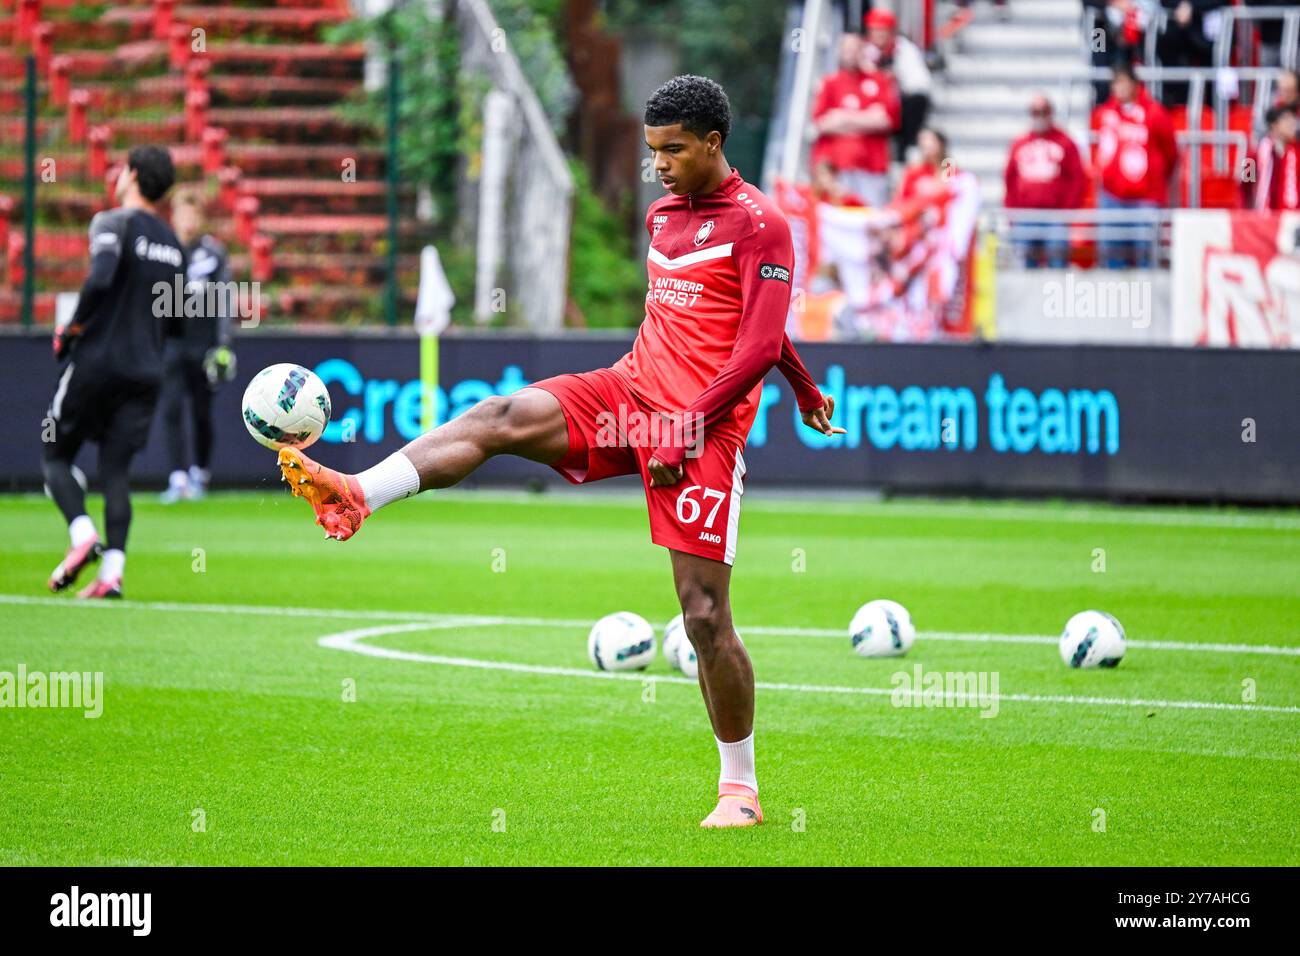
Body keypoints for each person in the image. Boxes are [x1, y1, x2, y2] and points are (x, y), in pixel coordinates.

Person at [274, 75, 845, 829]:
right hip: (628, 394)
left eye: (674, 150)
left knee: (704, 616)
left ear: (713, 142)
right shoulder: (663, 217)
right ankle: (359, 493)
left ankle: (739, 787)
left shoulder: (761, 224)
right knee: (501, 414)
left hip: (700, 429)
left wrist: (725, 410)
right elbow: (755, 327)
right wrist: (799, 388)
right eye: (652, 153)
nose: (661, 166)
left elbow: (759, 339)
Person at [43, 146, 185, 598]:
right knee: (116, 470)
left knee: (55, 455)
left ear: (133, 175)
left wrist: (73, 327)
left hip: (98, 362)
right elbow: (178, 319)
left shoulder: (113, 223)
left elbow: (101, 278)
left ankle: (83, 535)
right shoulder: (174, 247)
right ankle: (112, 574)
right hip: (146, 372)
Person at [159, 188, 236, 504]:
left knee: (202, 413)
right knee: (171, 409)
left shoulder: (213, 253)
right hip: (172, 345)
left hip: (204, 347)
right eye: (183, 214)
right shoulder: (163, 251)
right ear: (174, 217)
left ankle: (200, 473)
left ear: (200, 218)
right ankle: (177, 478)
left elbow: (224, 300)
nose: (188, 221)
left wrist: (223, 344)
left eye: (193, 214)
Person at [1093, 62, 1178, 268]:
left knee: (1145, 258)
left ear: (1134, 84)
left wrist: (1154, 178)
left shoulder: (1154, 113)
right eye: (1114, 83)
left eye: (1121, 82)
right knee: (1112, 258)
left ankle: (1147, 300)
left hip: (1145, 198)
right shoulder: (1104, 113)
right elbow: (1097, 149)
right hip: (1112, 195)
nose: (1117, 88)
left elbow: (1171, 152)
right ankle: (1114, 300)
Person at [810, 32, 901, 208]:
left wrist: (842, 117)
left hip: (873, 166)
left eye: (854, 48)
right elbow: (821, 123)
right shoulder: (830, 82)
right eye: (846, 49)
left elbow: (887, 120)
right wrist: (867, 119)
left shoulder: (880, 80)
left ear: (862, 50)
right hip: (836, 167)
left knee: (871, 220)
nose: (850, 53)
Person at [1003, 94, 1088, 268]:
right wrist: (1013, 213)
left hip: (1055, 215)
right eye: (1035, 112)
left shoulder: (1065, 142)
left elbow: (1078, 178)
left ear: (1051, 113)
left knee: (1057, 266)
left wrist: (1067, 212)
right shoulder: (1020, 143)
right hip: (1026, 215)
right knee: (1024, 267)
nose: (1040, 116)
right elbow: (1010, 178)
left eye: (1043, 111)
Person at [862, 7, 931, 161]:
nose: (879, 35)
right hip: (870, 104)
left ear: (891, 31)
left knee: (917, 101)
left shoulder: (904, 49)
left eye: (883, 30)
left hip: (898, 104)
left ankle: (908, 149)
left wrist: (894, 77)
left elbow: (920, 84)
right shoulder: (864, 50)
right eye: (875, 30)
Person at [1245, 105, 1299, 211]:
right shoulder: (1253, 154)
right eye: (1287, 119)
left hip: (1293, 218)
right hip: (1263, 217)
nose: (1292, 124)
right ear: (1274, 125)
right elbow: (1245, 186)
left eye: (1293, 119)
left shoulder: (1297, 152)